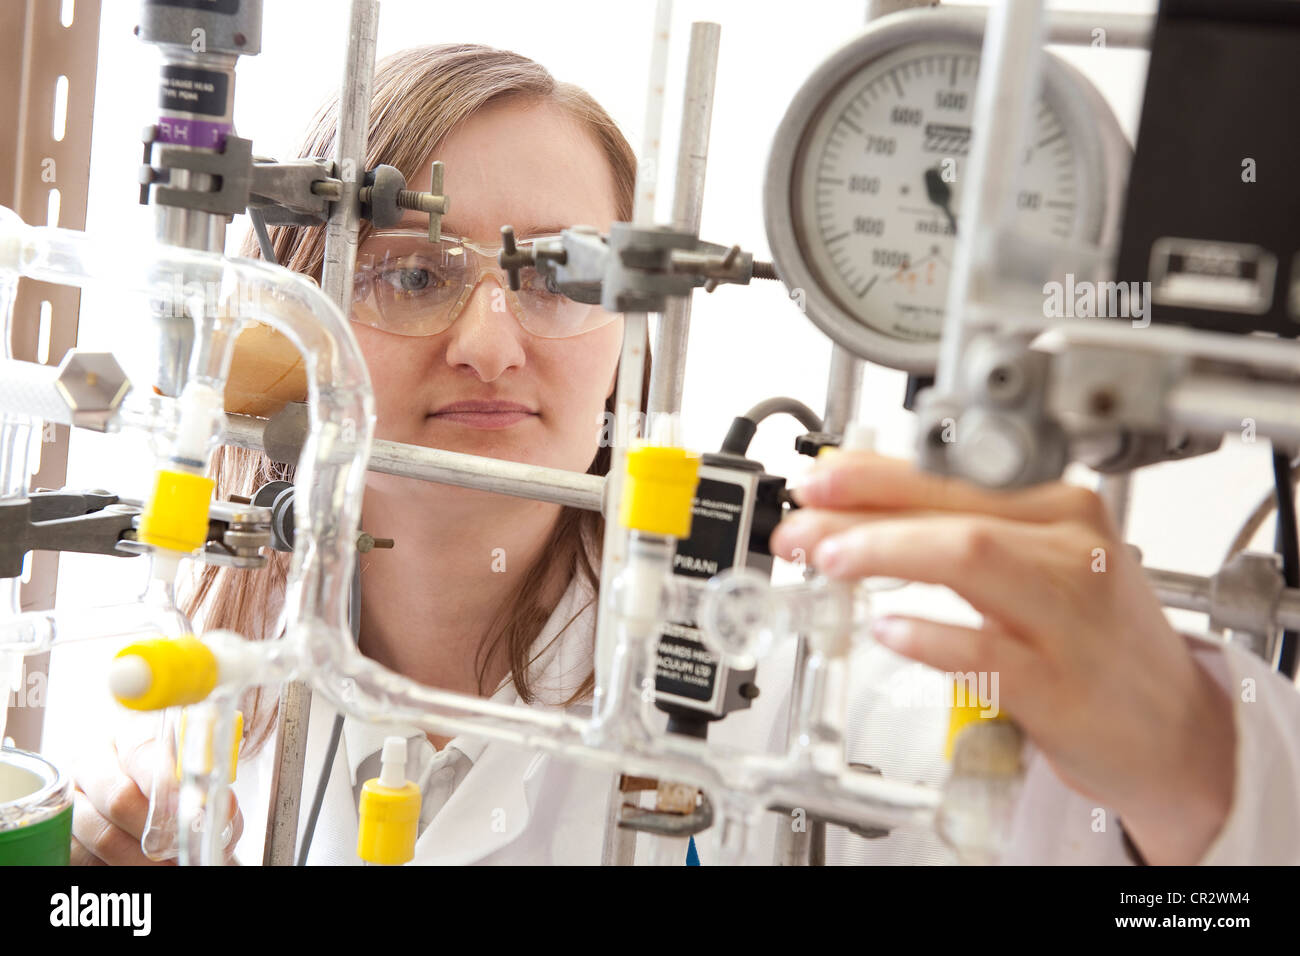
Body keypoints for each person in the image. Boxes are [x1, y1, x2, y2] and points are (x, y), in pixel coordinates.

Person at [69, 43, 1300, 867]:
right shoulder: (204, 643)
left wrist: (1195, 765)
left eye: (558, 276)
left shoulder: (791, 670)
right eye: (415, 270)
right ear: (302, 312)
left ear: (632, 330)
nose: (492, 341)